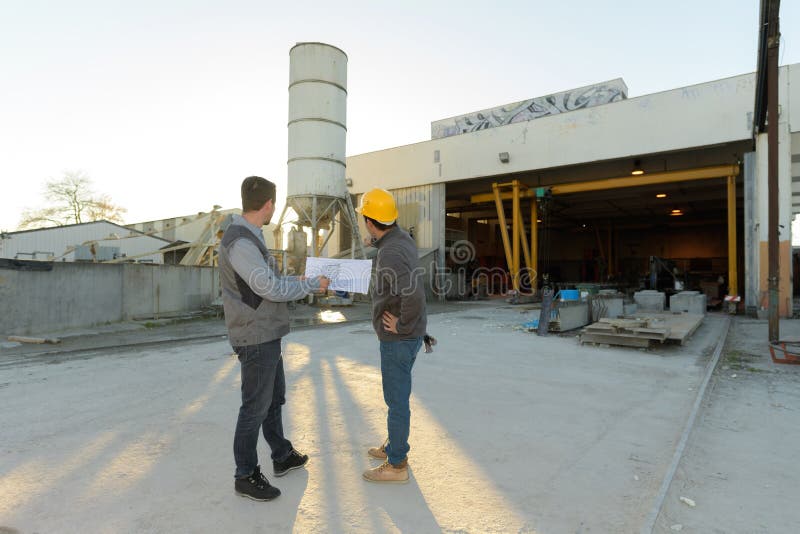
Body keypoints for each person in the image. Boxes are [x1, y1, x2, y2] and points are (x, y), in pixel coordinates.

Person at [218, 176, 329, 501]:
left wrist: (300, 278)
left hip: (266, 332)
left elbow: (268, 281)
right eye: (273, 204)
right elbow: (268, 288)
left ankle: (281, 454)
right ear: (269, 205)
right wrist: (309, 285)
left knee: (274, 398)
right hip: (254, 336)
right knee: (254, 407)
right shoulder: (240, 242)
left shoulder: (251, 237)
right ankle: (245, 475)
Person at [358, 188, 427, 484]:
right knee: (398, 395)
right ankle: (393, 445)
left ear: (371, 222)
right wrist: (375, 241)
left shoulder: (389, 252)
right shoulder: (401, 238)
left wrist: (401, 325)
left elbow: (414, 294)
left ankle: (397, 464)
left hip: (399, 339)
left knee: (396, 400)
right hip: (409, 337)